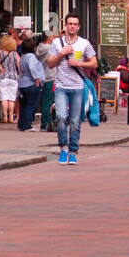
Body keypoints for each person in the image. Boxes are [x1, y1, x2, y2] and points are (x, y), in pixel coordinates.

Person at [45, 13, 97, 165]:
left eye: (75, 24)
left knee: (75, 121)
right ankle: (63, 148)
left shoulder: (84, 43)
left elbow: (94, 63)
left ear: (78, 27)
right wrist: (61, 54)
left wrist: (79, 64)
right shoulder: (56, 44)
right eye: (70, 23)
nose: (72, 26)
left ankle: (73, 151)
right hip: (61, 86)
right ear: (66, 26)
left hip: (77, 87)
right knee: (61, 117)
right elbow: (50, 64)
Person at [17, 37, 45, 131]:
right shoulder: (31, 57)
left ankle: (21, 124)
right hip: (31, 83)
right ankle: (27, 125)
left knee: (23, 106)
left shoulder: (23, 57)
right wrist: (37, 79)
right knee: (31, 105)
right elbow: (32, 67)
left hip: (23, 83)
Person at [0, 35, 20, 124]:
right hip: (13, 78)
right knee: (12, 98)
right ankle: (11, 117)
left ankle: (5, 117)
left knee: (3, 98)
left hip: (2, 77)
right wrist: (19, 74)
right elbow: (19, 65)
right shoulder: (15, 53)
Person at [36, 30, 57, 132]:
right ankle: (46, 123)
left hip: (44, 76)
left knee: (46, 101)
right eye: (52, 36)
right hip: (50, 76)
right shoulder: (49, 48)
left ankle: (46, 123)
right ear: (49, 38)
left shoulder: (40, 47)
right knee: (48, 101)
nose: (54, 38)